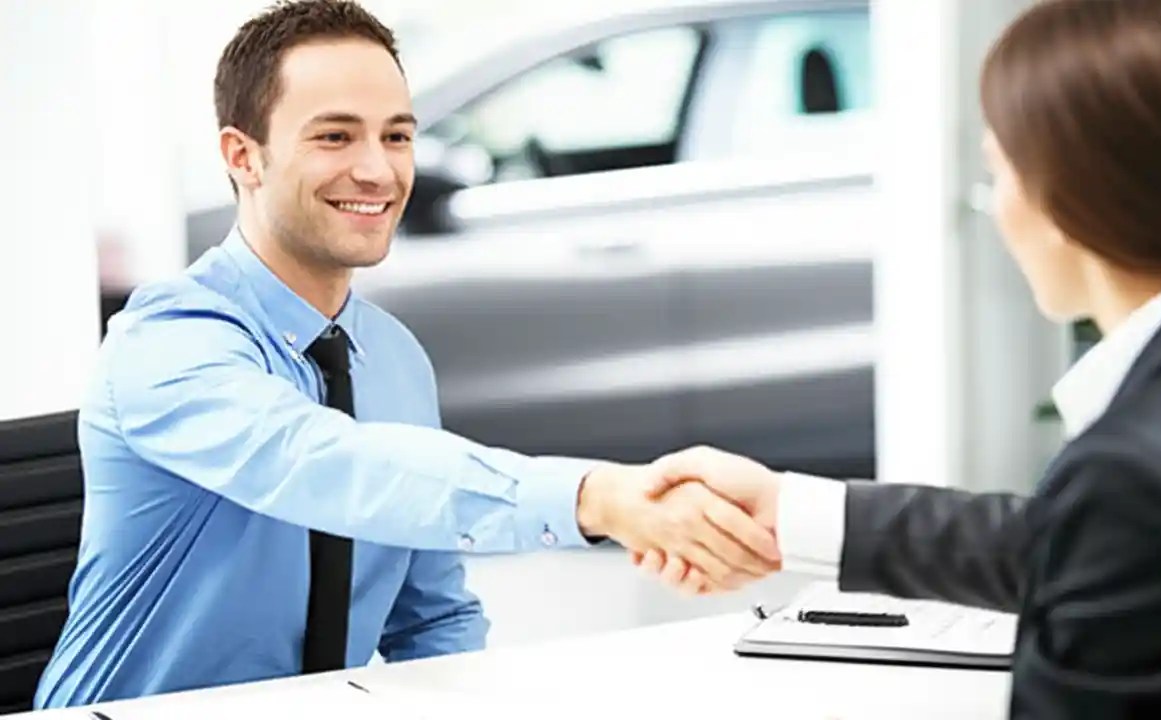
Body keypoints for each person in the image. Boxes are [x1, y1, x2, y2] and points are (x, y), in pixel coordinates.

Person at [34, 0, 778, 709]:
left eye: (396, 136)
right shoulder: (167, 342)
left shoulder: (390, 358)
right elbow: (321, 462)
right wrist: (594, 498)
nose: (378, 170)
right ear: (243, 155)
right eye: (334, 136)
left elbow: (430, 617)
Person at [640, 0, 1161, 715]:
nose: (993, 204)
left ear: (1062, 197)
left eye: (999, 171)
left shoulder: (1148, 471)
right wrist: (787, 511)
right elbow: (1076, 547)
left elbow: (1113, 532)